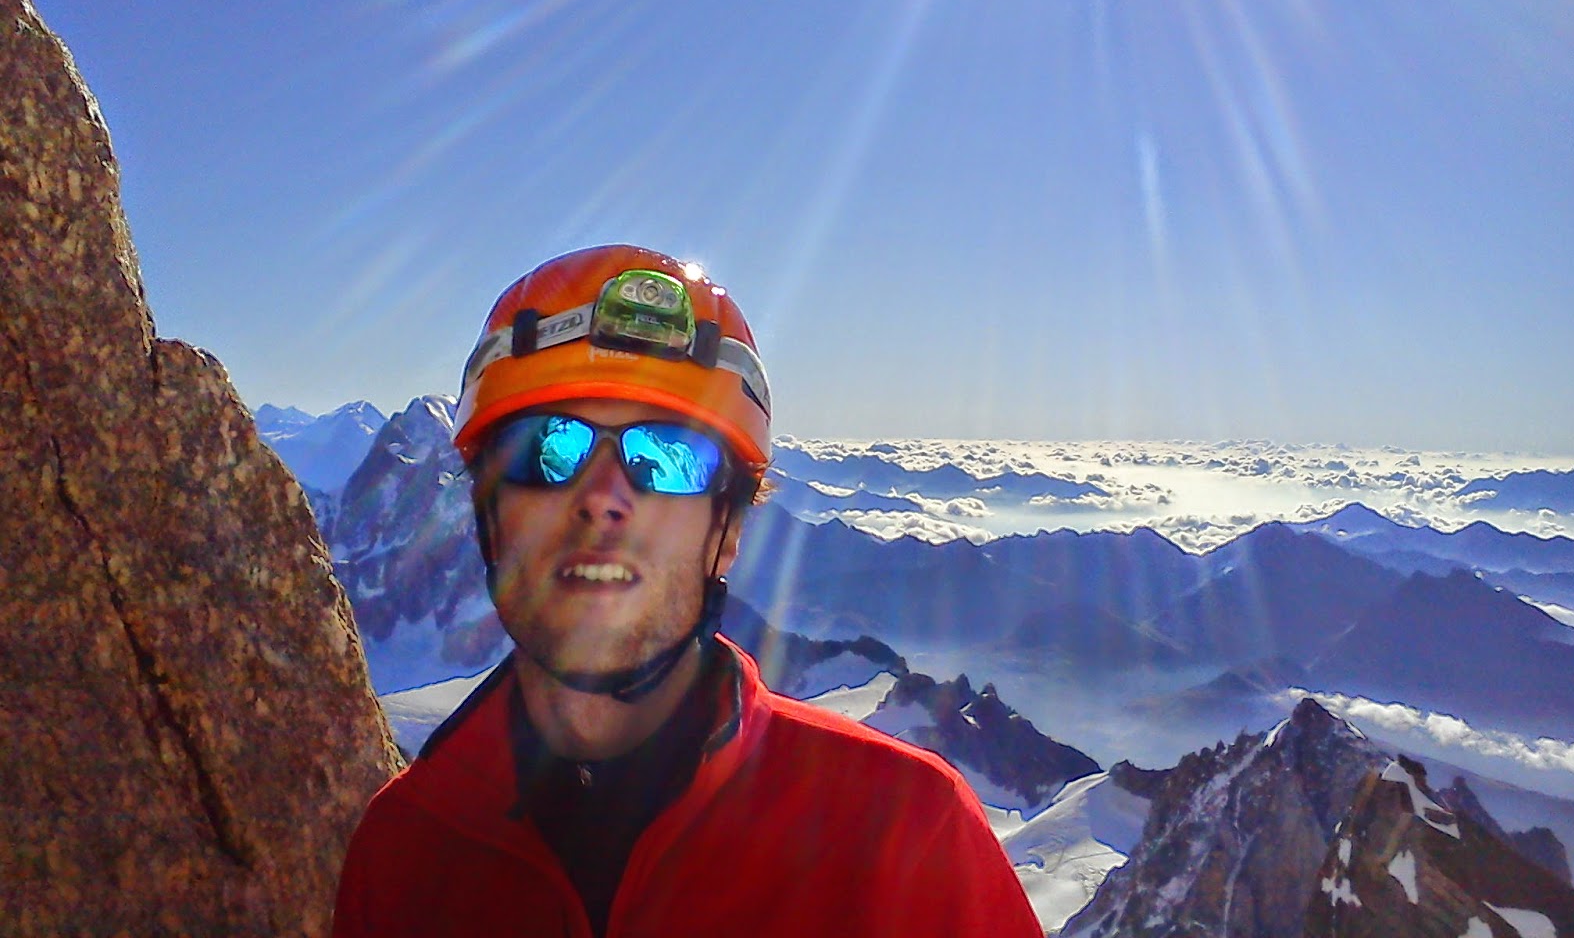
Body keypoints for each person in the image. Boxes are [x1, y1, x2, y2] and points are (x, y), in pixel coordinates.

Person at [332, 245, 1044, 937]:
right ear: (487, 511)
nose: (603, 497)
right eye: (545, 449)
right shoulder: (402, 848)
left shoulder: (908, 839)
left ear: (727, 530)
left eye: (668, 458)